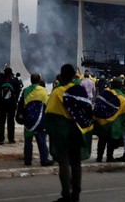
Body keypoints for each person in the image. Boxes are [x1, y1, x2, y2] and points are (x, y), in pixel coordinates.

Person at [46, 64, 93, 202]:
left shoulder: (56, 92)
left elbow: (49, 115)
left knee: (64, 163)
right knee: (76, 163)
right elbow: (88, 112)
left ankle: (66, 195)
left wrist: (52, 131)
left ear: (61, 76)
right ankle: (76, 194)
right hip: (77, 134)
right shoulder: (79, 90)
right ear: (74, 76)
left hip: (62, 135)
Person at [18, 73, 53, 166]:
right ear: (39, 80)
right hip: (40, 120)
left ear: (31, 80)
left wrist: (20, 117)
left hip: (28, 119)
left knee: (28, 141)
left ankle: (27, 160)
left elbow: (21, 105)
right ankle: (44, 159)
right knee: (41, 140)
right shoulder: (43, 90)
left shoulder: (26, 90)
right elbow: (47, 105)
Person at [94, 78, 125, 163]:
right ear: (121, 86)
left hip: (101, 123)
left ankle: (99, 158)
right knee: (111, 142)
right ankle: (109, 157)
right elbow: (123, 115)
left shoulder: (104, 93)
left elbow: (96, 105)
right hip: (112, 125)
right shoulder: (123, 99)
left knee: (101, 141)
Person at [0, 67, 23, 145]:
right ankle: (11, 139)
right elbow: (18, 92)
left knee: (1, 122)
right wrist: (15, 100)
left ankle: (1, 139)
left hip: (2, 104)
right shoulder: (15, 81)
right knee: (11, 121)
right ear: (11, 73)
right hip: (11, 104)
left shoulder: (0, 80)